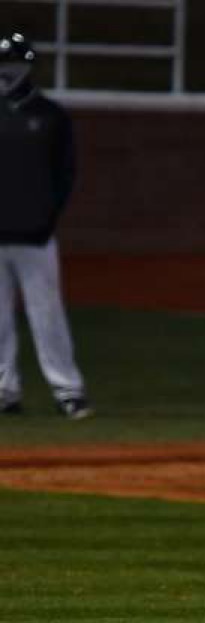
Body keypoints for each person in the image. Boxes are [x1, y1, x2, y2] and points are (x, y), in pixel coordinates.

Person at [0, 31, 91, 420]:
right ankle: (5, 390)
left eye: (12, 64)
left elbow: (65, 175)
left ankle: (67, 390)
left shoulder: (50, 116)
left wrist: (45, 218)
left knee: (47, 314)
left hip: (35, 236)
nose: (5, 72)